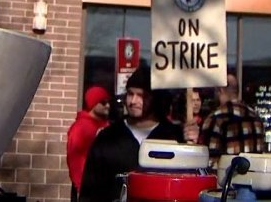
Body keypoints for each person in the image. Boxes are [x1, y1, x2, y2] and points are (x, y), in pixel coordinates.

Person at [79, 67, 194, 202]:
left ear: (155, 98)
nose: (133, 101)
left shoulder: (173, 137)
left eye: (141, 96)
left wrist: (193, 145)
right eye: (130, 94)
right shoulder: (108, 137)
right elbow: (90, 190)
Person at [198, 72, 265, 163]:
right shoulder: (256, 119)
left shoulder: (217, 119)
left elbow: (209, 161)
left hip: (228, 176)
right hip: (254, 176)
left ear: (220, 90)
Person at [67, 85, 111, 202]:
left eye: (108, 102)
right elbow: (74, 159)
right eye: (103, 102)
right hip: (86, 187)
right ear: (93, 104)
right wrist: (80, 186)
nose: (108, 106)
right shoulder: (80, 127)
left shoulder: (106, 126)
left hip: (103, 187)